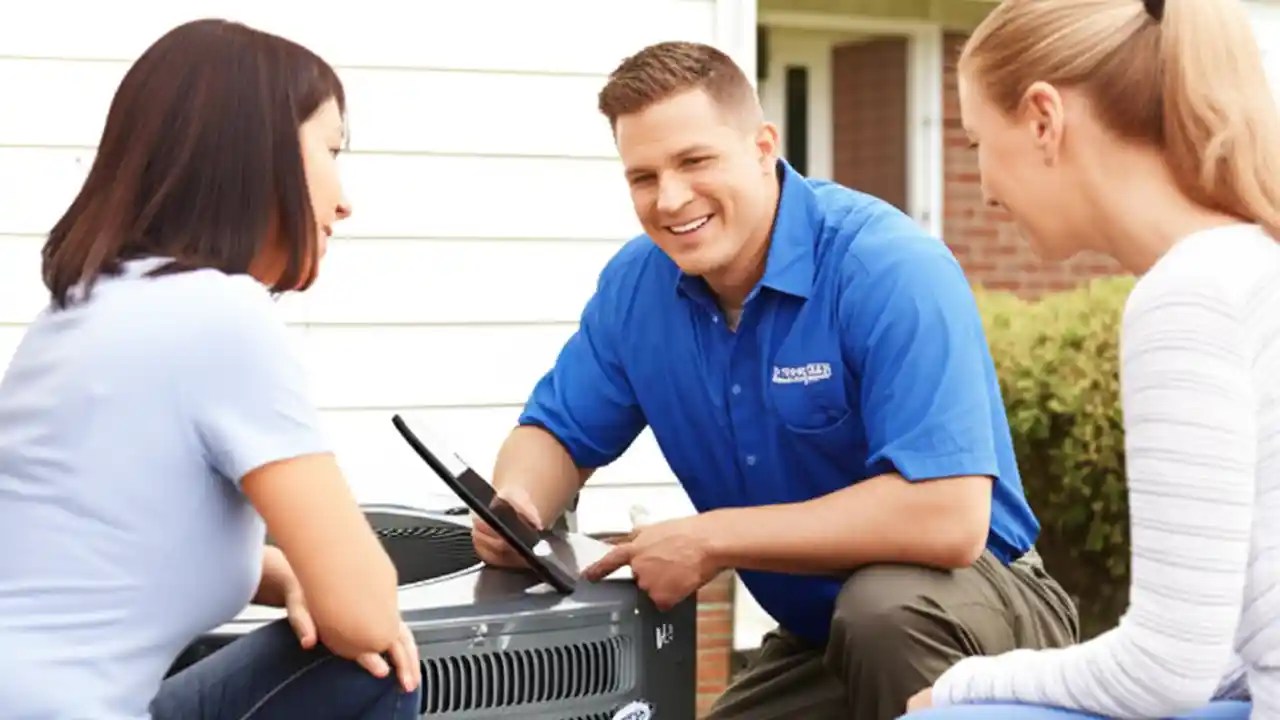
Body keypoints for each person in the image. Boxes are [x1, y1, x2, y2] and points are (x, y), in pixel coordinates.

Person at [470, 39, 1080, 720]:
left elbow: (949, 518)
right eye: (643, 177)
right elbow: (555, 434)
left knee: (882, 612)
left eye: (695, 161)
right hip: (825, 634)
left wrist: (711, 538)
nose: (670, 199)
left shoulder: (887, 267)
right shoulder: (636, 289)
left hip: (975, 608)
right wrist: (518, 503)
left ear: (763, 147)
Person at [0, 19, 423, 720]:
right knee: (375, 669)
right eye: (331, 150)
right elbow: (366, 615)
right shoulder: (220, 315)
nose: (344, 201)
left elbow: (106, 544)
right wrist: (335, 590)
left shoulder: (84, 305)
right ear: (260, 156)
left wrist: (287, 575)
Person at [900, 0, 1280, 718]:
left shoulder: (1190, 298)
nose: (985, 188)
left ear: (1044, 120)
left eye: (977, 141)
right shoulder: (1254, 265)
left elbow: (1166, 668)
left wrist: (957, 688)